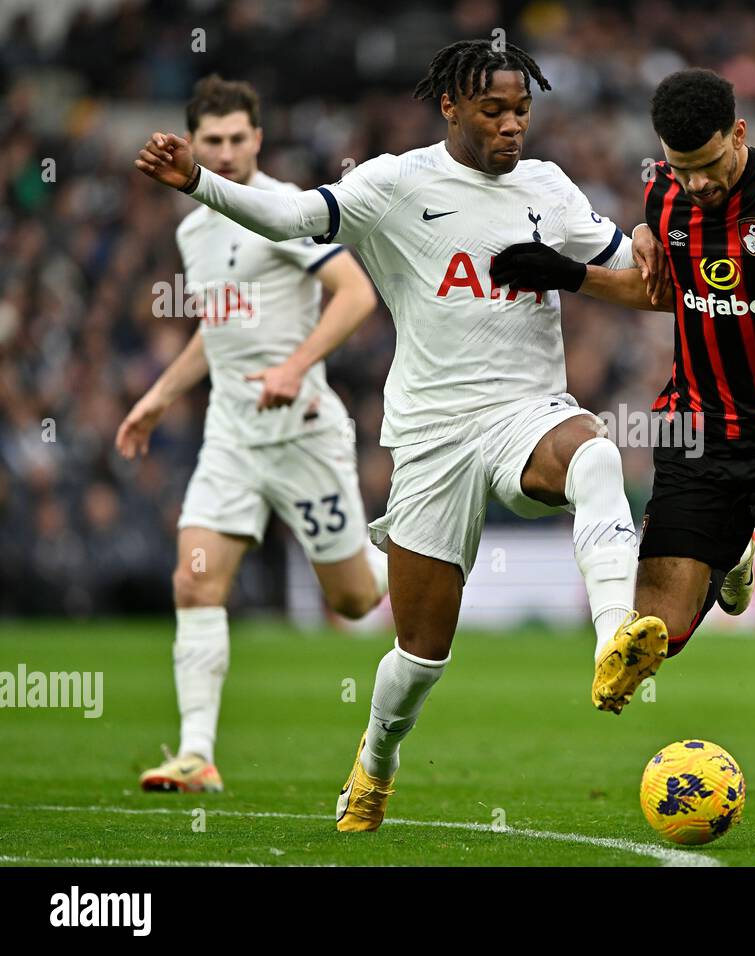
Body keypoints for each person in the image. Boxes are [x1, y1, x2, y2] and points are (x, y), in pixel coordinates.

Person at [133, 40, 673, 830]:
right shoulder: (394, 183)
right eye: (494, 111)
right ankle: (375, 763)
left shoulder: (549, 188)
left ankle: (614, 639)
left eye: (522, 110)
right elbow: (290, 216)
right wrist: (199, 183)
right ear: (450, 107)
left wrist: (645, 242)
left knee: (595, 453)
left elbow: (640, 281)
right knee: (420, 655)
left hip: (527, 413)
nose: (512, 126)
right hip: (432, 437)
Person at [492, 69, 755, 838]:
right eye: (678, 169)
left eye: (709, 167)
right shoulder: (666, 197)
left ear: (740, 136)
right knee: (657, 637)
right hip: (697, 435)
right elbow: (667, 294)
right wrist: (573, 276)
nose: (696, 185)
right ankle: (726, 558)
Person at [117, 75, 388, 793]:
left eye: (239, 139)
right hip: (231, 438)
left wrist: (297, 366)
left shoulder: (280, 210)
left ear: (258, 140)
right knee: (195, 582)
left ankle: (418, 558)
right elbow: (220, 329)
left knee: (356, 601)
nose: (228, 152)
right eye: (213, 141)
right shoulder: (192, 226)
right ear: (192, 143)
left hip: (302, 437)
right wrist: (158, 395)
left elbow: (357, 293)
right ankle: (196, 754)